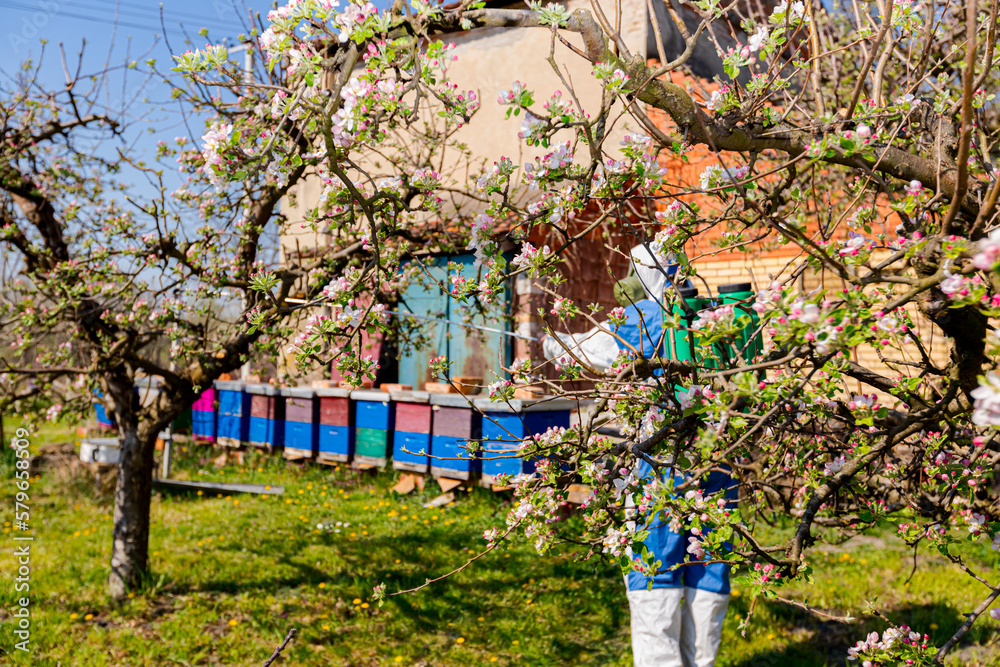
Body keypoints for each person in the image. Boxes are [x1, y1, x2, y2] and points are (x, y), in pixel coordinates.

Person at [540, 244, 734, 667]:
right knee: (710, 562)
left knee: (655, 565)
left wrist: (550, 345)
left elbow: (588, 349)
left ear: (646, 273)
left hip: (660, 467)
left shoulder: (642, 318)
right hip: (718, 459)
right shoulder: (711, 315)